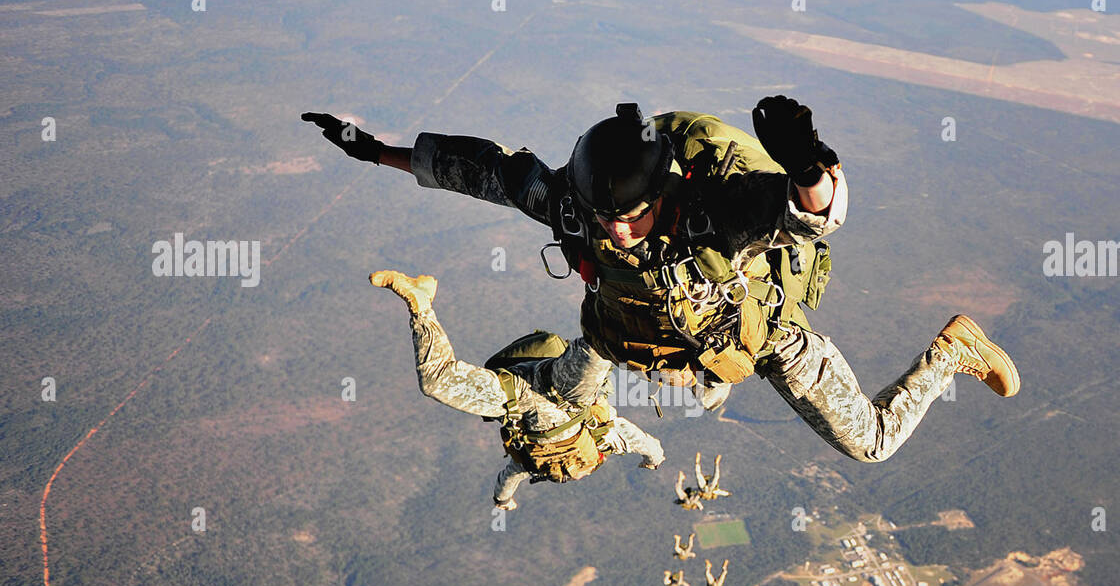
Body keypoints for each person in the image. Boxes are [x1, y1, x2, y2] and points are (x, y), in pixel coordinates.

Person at [305, 98, 1019, 464]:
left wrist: (809, 162)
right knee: (616, 388)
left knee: (872, 442)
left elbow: (816, 215)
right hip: (638, 337)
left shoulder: (716, 214)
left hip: (757, 336)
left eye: (636, 217)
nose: (618, 231)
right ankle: (648, 395)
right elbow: (484, 170)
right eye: (606, 217)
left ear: (668, 196)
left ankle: (952, 350)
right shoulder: (575, 207)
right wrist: (373, 152)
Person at [370, 269, 663, 509]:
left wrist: (503, 501)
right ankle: (638, 279)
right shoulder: (607, 438)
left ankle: (420, 303)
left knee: (436, 382)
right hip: (569, 394)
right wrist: (653, 459)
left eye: (567, 474)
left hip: (514, 398)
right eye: (580, 470)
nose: (576, 474)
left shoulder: (532, 465)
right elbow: (648, 444)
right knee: (604, 342)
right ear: (593, 460)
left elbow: (506, 481)